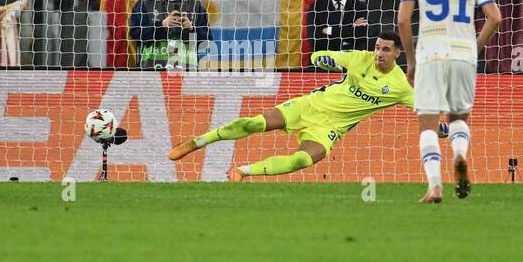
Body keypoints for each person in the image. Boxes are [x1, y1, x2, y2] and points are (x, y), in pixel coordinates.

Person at [168, 32, 414, 181]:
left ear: (397, 53)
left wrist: (443, 128)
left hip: (330, 128)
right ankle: (196, 142)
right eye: (377, 47)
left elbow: (424, 111)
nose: (378, 53)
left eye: (385, 49)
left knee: (303, 160)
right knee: (255, 123)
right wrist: (324, 60)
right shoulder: (360, 58)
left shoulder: (399, 86)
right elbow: (321, 55)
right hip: (309, 105)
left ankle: (241, 171)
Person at [396, 0, 503, 203]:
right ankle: (459, 155)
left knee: (428, 124)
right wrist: (474, 48)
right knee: (458, 118)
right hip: (462, 53)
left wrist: (410, 60)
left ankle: (435, 186)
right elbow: (495, 18)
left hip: (430, 53)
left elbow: (403, 19)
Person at [128, 0, 210, 69]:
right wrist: (161, 25)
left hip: (186, 71)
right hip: (152, 71)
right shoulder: (145, 3)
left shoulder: (196, 7)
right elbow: (135, 33)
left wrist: (192, 29)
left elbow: (207, 41)